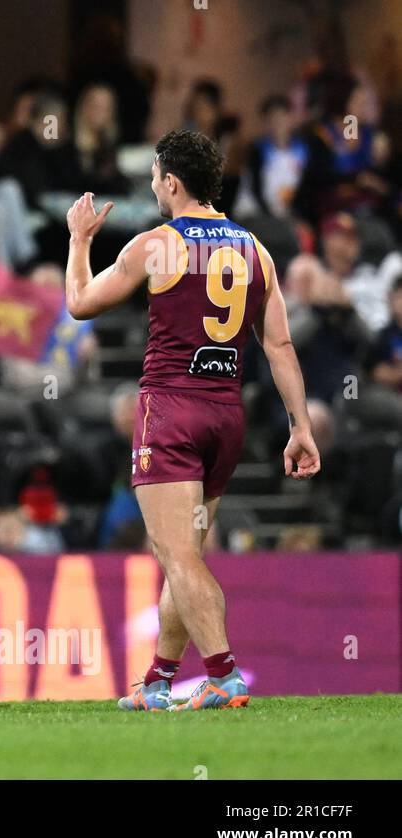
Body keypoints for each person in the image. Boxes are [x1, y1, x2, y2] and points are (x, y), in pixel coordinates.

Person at [64, 130, 320, 712]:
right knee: (186, 557)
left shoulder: (154, 246)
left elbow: (80, 303)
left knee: (176, 556)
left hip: (170, 412)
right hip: (225, 417)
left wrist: (79, 241)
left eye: (155, 177)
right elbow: (279, 344)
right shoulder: (257, 249)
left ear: (171, 183)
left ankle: (225, 676)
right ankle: (157, 681)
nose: (153, 187)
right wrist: (299, 425)